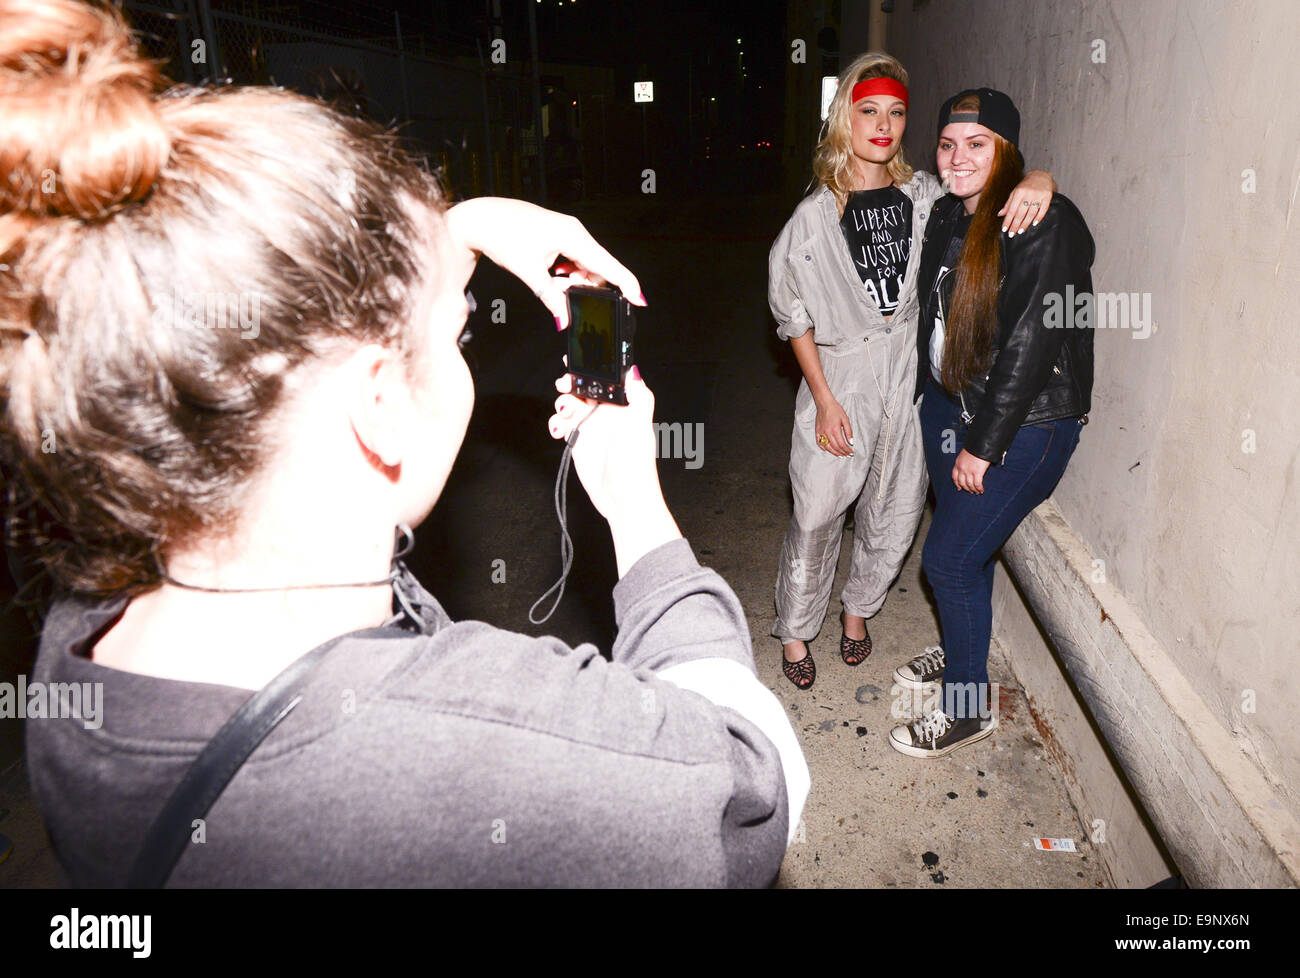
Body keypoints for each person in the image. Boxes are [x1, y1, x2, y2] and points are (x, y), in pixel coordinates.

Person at [1, 0, 808, 886]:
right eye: (454, 338)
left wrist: (456, 233)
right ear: (377, 404)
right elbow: (756, 785)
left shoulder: (85, 636)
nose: (465, 352)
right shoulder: (482, 744)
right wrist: (637, 505)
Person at [767, 53, 1056, 690]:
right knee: (817, 510)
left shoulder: (926, 195)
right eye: (868, 109)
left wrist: (1041, 175)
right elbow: (793, 316)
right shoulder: (813, 216)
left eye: (896, 112)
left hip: (909, 382)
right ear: (845, 116)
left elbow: (993, 187)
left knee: (894, 511)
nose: (883, 124)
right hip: (839, 381)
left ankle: (857, 611)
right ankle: (794, 626)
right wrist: (823, 398)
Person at [890, 88, 1095, 757]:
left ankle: (968, 709)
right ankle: (961, 665)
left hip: (1020, 425)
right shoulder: (951, 217)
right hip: (951, 406)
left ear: (1005, 150)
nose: (959, 157)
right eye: (948, 144)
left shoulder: (1041, 218)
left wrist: (984, 445)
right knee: (965, 552)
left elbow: (1033, 344)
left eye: (978, 144)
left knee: (946, 560)